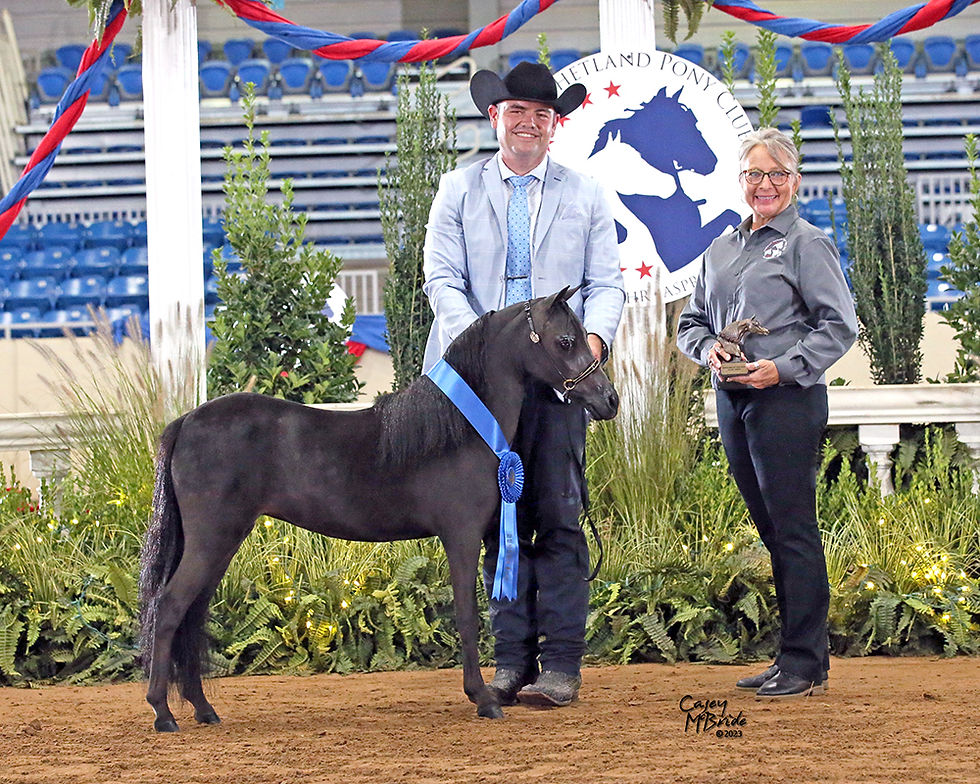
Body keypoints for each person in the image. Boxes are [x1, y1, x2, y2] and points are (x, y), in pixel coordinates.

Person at [422, 61, 625, 707]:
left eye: (541, 114)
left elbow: (606, 284)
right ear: (495, 118)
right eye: (517, 112)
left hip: (560, 381)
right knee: (497, 523)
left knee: (559, 520)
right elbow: (441, 280)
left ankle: (560, 666)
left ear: (554, 125)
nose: (529, 123)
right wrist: (482, 351)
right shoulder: (457, 190)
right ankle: (510, 662)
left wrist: (588, 348)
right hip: (479, 391)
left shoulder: (585, 192)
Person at [676, 127, 858, 699]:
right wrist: (711, 349)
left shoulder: (808, 244)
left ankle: (807, 662)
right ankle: (792, 657)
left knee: (794, 529)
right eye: (755, 174)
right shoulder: (721, 248)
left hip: (786, 398)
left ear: (795, 182)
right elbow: (691, 324)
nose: (765, 185)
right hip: (734, 401)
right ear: (740, 182)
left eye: (777, 174)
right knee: (773, 529)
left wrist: (782, 367)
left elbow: (839, 326)